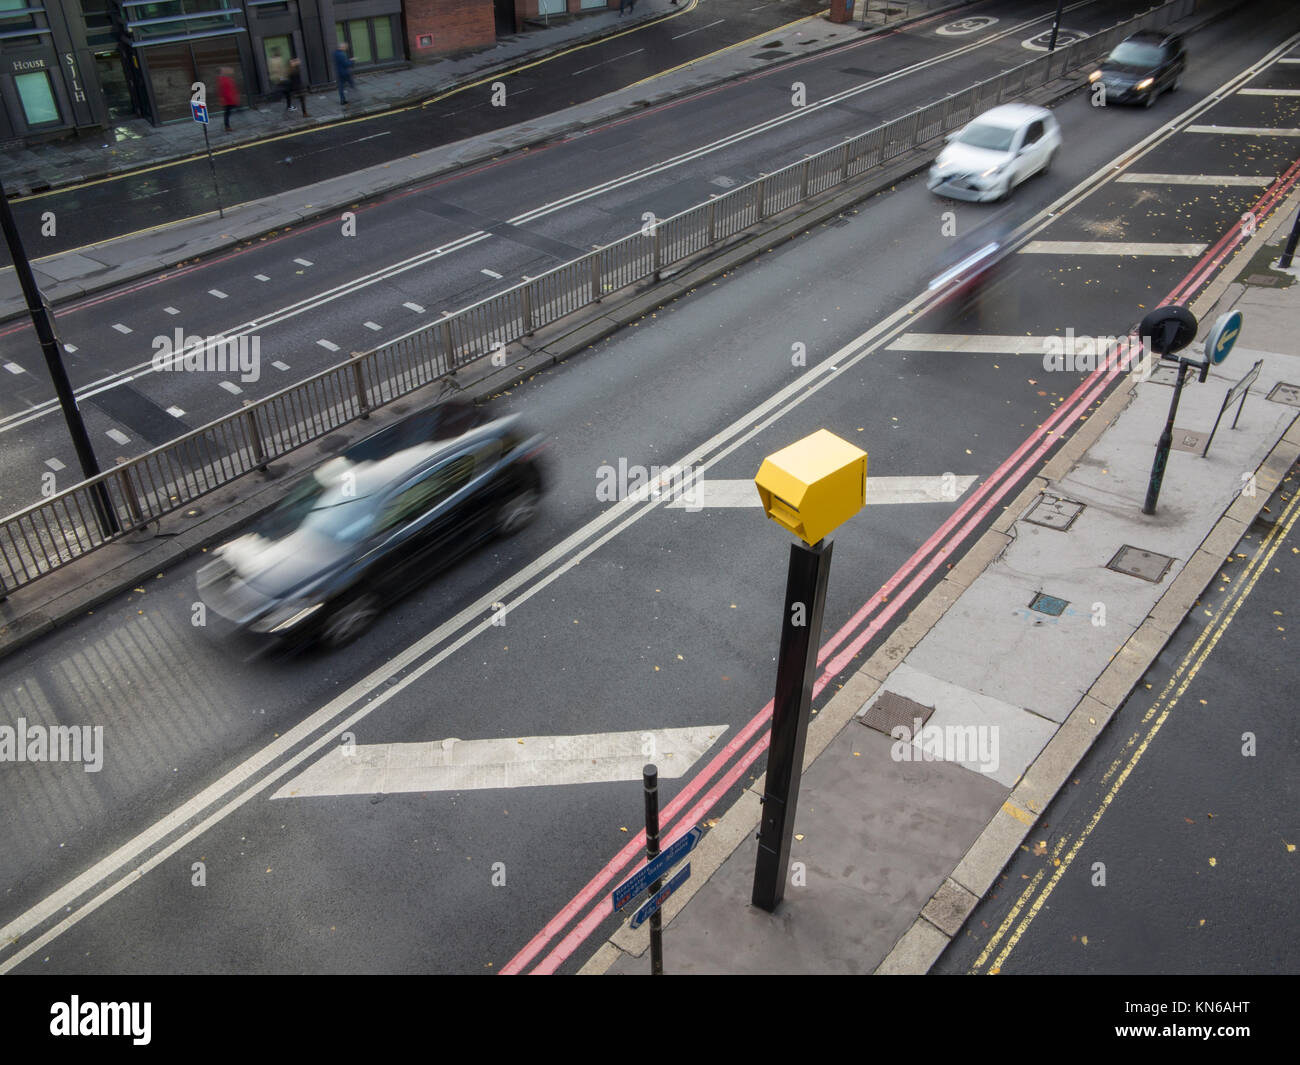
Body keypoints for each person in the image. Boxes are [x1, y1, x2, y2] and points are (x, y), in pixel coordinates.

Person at [333, 41, 355, 106]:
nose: (345, 48)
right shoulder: (341, 54)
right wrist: (352, 61)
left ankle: (343, 100)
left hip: (339, 72)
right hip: (345, 73)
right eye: (345, 47)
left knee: (341, 87)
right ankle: (354, 96)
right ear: (342, 47)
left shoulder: (335, 53)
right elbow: (346, 64)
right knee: (352, 84)